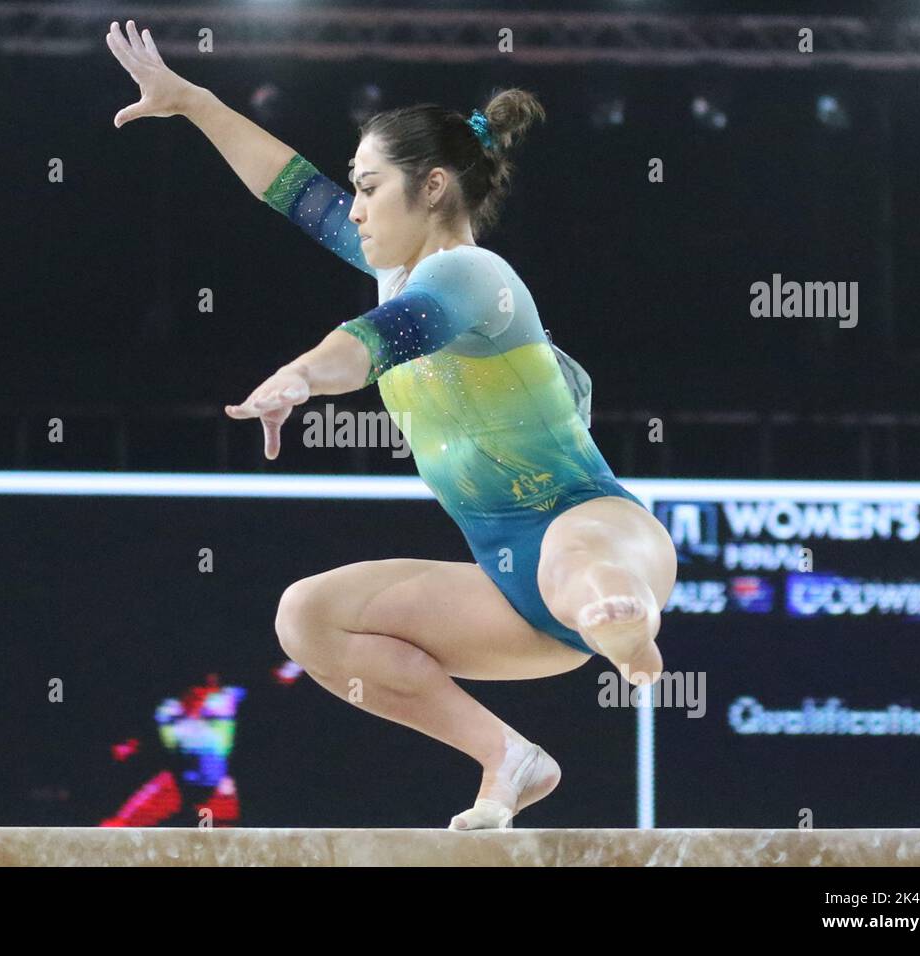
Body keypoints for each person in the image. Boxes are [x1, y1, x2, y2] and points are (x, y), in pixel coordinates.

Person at [107, 20, 678, 829]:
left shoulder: (474, 277)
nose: (356, 206)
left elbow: (377, 343)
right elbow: (293, 191)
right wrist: (194, 103)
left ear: (434, 187)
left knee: (577, 560)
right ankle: (507, 759)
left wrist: (302, 375)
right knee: (307, 615)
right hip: (508, 598)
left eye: (370, 187)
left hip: (600, 529)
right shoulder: (393, 267)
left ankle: (624, 626)